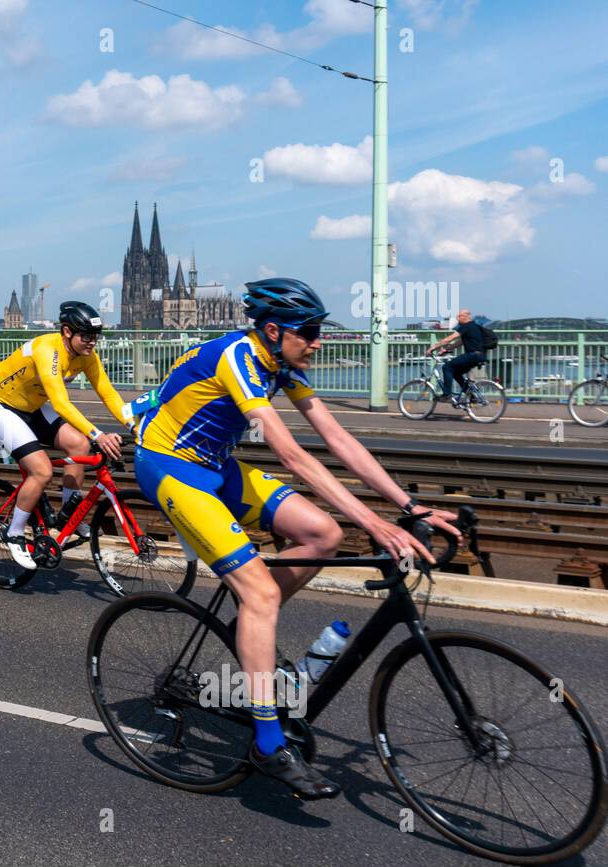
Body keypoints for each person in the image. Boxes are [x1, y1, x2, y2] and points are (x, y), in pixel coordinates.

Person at [126, 277, 460, 799]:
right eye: (309, 332)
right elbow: (293, 456)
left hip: (215, 465)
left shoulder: (281, 361)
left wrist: (408, 506)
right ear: (275, 330)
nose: (318, 342)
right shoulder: (239, 357)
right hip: (167, 468)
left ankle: (250, 629)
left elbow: (336, 437)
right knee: (260, 593)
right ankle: (265, 743)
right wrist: (374, 524)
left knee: (323, 533)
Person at [0, 301, 132, 569]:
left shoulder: (86, 356)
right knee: (42, 470)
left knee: (79, 445)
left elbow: (108, 394)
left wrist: (135, 426)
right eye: (86, 336)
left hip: (32, 406)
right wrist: (99, 435)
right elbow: (61, 404)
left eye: (95, 337)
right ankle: (14, 533)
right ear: (67, 332)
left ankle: (68, 515)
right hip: (0, 405)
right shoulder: (47, 349)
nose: (92, 343)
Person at [425, 309, 487, 406]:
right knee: (456, 373)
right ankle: (471, 396)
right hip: (480, 356)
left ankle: (447, 394)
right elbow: (460, 342)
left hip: (472, 355)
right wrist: (446, 350)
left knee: (447, 367)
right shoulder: (474, 326)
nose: (458, 318)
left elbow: (449, 339)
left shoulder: (465, 326)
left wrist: (433, 347)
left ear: (466, 316)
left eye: (459, 316)